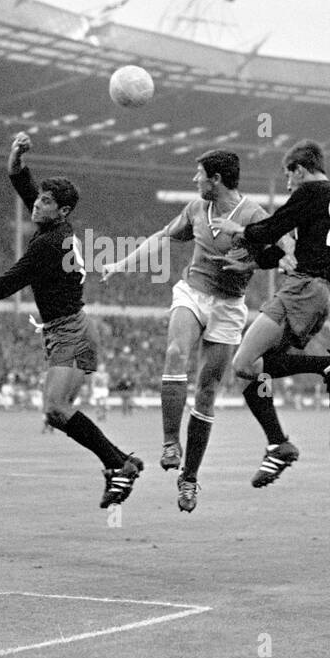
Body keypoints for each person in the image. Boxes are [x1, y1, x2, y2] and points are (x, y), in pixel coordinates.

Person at [0, 132, 144, 509]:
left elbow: (8, 282)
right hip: (71, 329)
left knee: (56, 409)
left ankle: (118, 464)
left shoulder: (47, 244)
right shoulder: (52, 225)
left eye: (45, 202)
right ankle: (121, 462)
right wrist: (15, 153)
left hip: (72, 333)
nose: (37, 205)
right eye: (39, 199)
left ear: (61, 212)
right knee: (58, 412)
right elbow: (19, 179)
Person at [101, 149, 279, 513]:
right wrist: (121, 263)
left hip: (229, 306)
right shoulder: (196, 210)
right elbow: (162, 237)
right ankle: (170, 442)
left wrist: (247, 259)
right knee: (174, 353)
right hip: (192, 293)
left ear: (215, 179)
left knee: (207, 393)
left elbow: (275, 254)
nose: (194, 180)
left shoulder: (253, 215)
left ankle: (190, 478)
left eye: (198, 174)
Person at [211, 141, 330, 489]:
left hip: (302, 290)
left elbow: (274, 226)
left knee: (242, 363)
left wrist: (239, 232)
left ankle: (326, 367)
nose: (288, 186)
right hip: (315, 292)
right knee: (252, 375)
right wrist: (252, 260)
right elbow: (290, 251)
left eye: (289, 177)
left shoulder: (313, 191)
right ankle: (278, 445)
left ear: (299, 170)